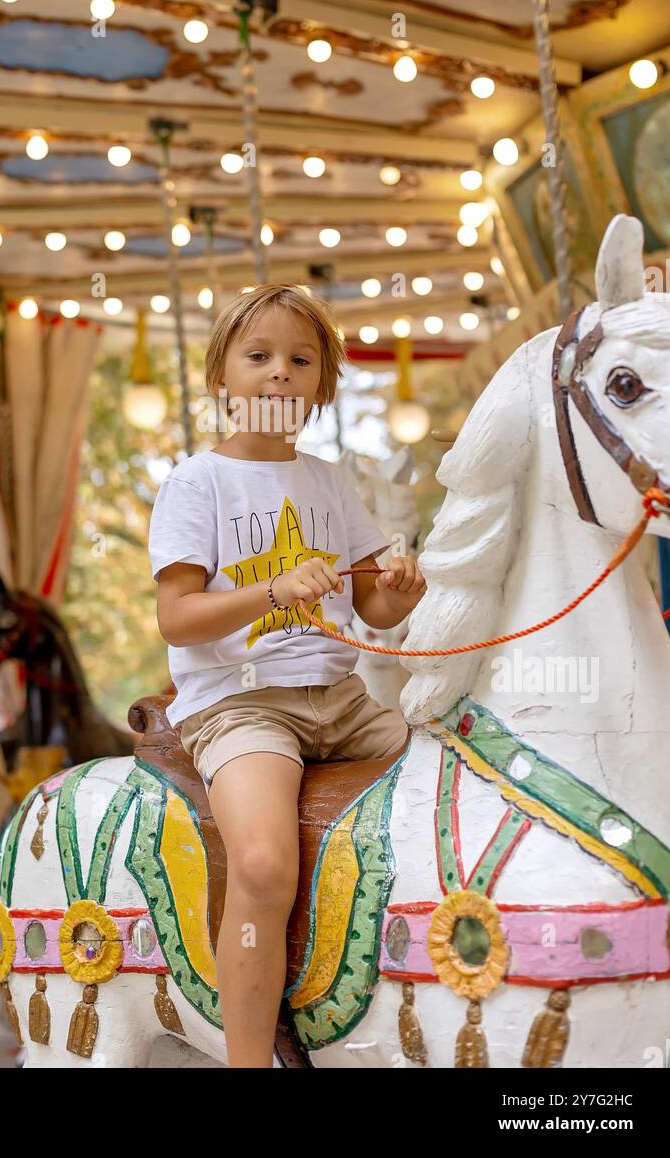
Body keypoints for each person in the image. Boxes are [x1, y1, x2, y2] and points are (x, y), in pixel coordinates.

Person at [148, 283, 426, 1067]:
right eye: (259, 356)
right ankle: (247, 1059)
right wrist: (273, 589)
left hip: (341, 698)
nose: (280, 375)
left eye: (300, 361)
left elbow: (370, 606)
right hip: (241, 706)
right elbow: (177, 617)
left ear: (322, 385)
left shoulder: (331, 482)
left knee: (456, 789)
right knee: (266, 863)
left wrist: (396, 582)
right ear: (222, 376)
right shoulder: (196, 482)